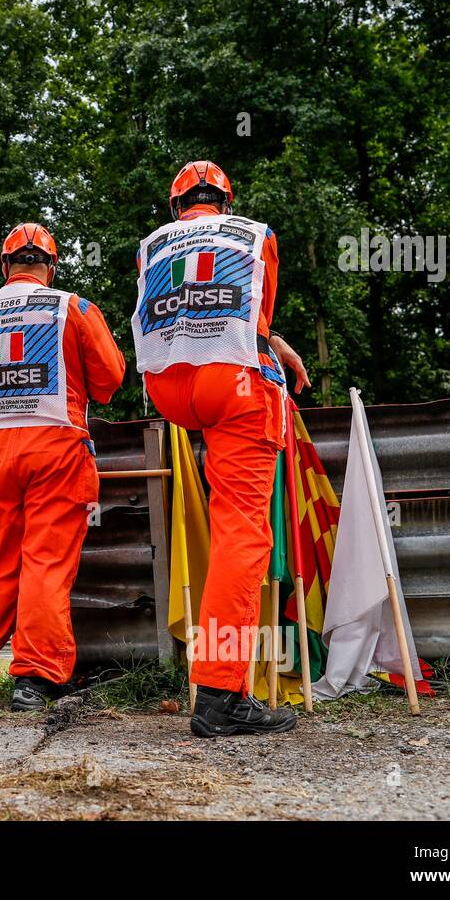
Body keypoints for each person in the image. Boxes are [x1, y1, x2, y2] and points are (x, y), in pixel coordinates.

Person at [131, 160, 311, 738]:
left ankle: (217, 686)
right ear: (225, 202)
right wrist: (276, 346)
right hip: (234, 384)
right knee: (241, 533)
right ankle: (219, 694)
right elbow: (253, 316)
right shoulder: (256, 236)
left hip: (171, 387)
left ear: (176, 206)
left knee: (224, 523)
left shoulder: (151, 247)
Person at [0, 222, 126, 711]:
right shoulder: (74, 308)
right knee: (45, 562)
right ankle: (35, 678)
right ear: (51, 265)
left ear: (5, 266)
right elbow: (111, 378)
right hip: (57, 447)